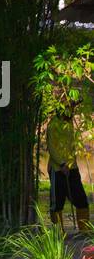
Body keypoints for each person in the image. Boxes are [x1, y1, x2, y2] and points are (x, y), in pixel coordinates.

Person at [46, 98, 91, 232]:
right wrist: (62, 163)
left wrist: (71, 163)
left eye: (73, 108)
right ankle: (59, 233)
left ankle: (85, 230)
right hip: (57, 169)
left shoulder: (69, 122)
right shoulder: (53, 125)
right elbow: (51, 148)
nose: (72, 111)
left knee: (81, 199)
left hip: (72, 167)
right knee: (57, 203)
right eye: (70, 108)